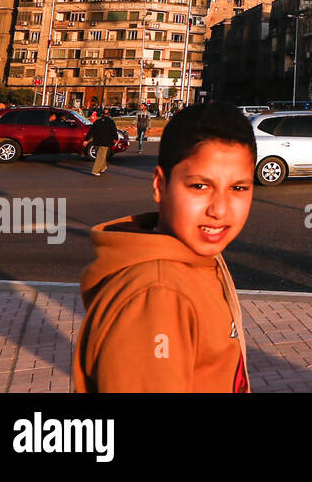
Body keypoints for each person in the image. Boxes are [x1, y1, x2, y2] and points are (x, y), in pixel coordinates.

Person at [74, 103, 255, 392]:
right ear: (160, 185)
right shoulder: (158, 295)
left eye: (238, 188)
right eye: (199, 186)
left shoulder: (198, 257)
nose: (220, 210)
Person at [90, 111, 118, 177]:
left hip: (97, 141)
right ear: (108, 114)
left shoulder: (97, 122)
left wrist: (86, 139)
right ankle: (95, 170)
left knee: (101, 155)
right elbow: (114, 131)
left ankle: (103, 167)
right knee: (101, 156)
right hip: (105, 141)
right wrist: (115, 138)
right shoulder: (111, 122)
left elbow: (91, 130)